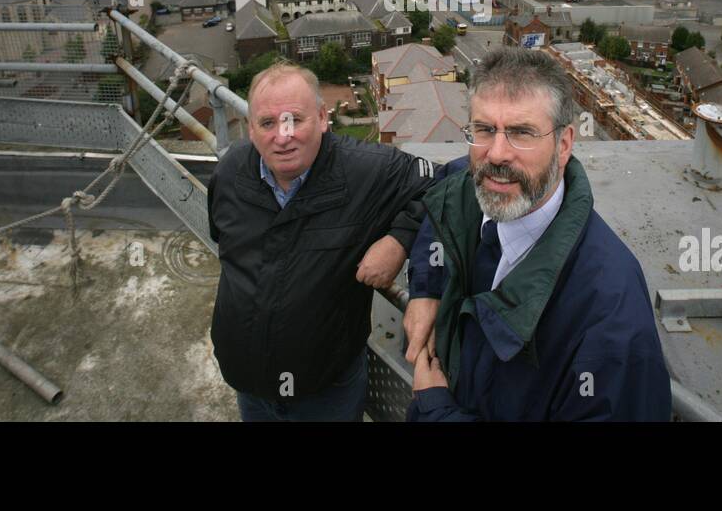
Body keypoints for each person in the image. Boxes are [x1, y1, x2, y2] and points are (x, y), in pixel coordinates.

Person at [403, 45, 672, 421]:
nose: (496, 154)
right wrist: (426, 288)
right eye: (484, 129)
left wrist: (436, 411)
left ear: (563, 145)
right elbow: (445, 204)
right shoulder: (474, 184)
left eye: (521, 133)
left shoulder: (611, 316)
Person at [207, 60, 434, 421]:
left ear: (323, 118)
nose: (283, 136)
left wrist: (398, 241)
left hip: (326, 392)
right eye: (268, 123)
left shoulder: (366, 170)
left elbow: (439, 185)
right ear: (250, 129)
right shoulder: (232, 171)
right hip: (247, 381)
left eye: (296, 119)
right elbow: (222, 240)